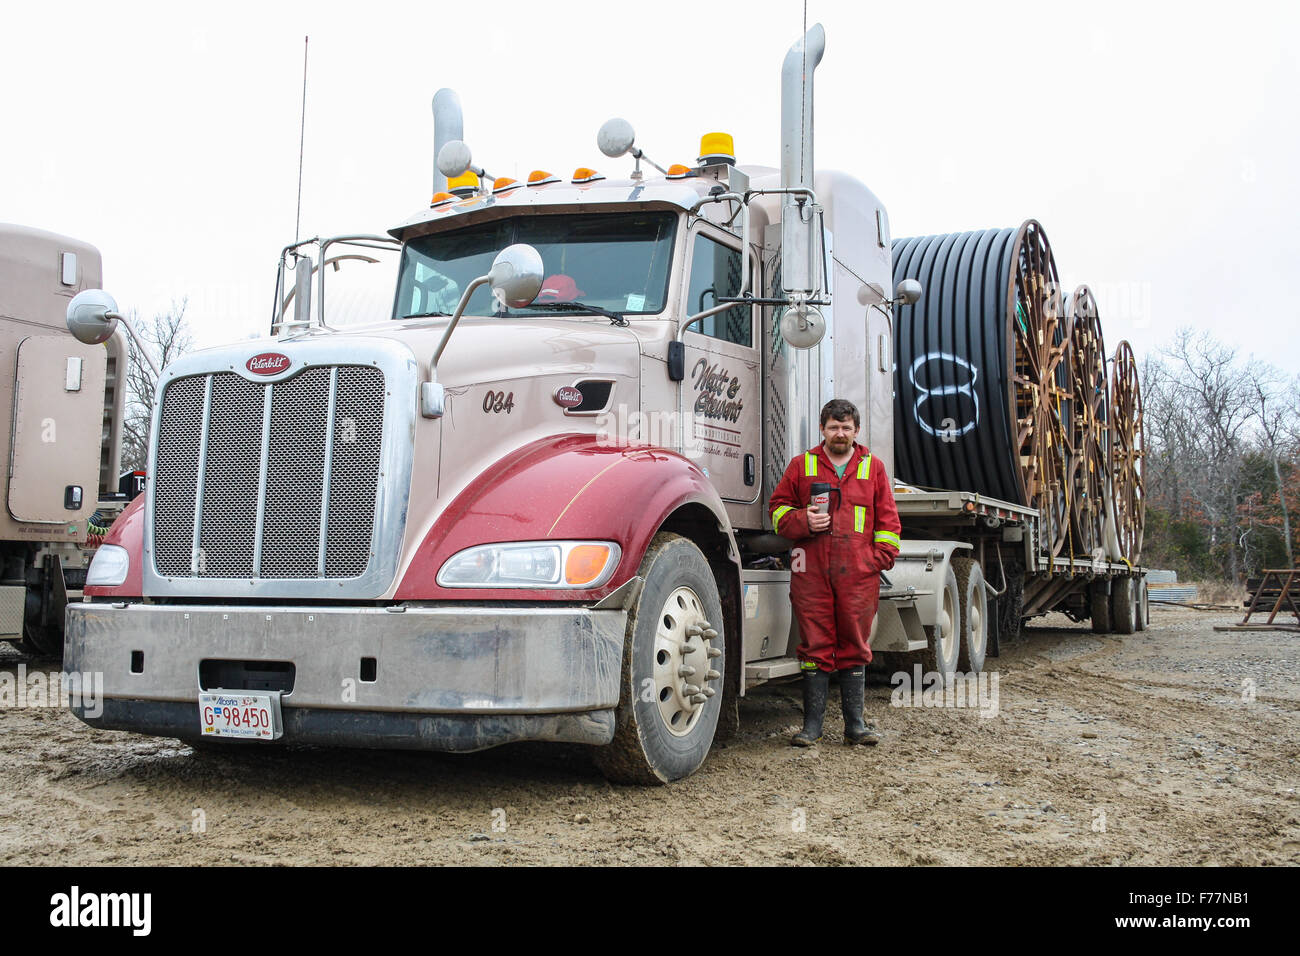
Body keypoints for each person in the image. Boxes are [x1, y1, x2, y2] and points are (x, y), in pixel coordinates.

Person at [768, 399, 902, 746]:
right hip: (810, 571)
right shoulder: (802, 465)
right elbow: (777, 510)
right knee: (814, 643)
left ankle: (855, 727)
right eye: (833, 427)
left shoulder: (873, 468)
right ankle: (812, 728)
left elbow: (888, 520)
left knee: (854, 644)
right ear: (822, 429)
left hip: (858, 574)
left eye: (846, 428)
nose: (839, 433)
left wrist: (878, 559)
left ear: (856, 431)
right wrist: (802, 520)